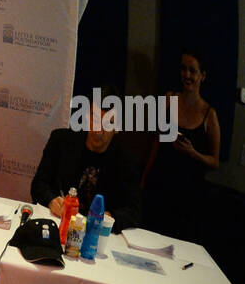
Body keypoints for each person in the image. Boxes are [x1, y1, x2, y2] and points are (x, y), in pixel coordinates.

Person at [30, 91, 142, 232]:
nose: (98, 131)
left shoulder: (127, 161)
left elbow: (133, 212)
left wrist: (108, 217)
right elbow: (38, 184)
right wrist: (51, 200)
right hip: (57, 224)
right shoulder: (61, 141)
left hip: (96, 234)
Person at [141, 50, 221, 240]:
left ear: (203, 76)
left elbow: (215, 162)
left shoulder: (209, 115)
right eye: (184, 69)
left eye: (193, 71)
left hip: (187, 194)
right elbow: (157, 141)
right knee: (146, 236)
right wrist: (144, 179)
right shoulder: (168, 99)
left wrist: (193, 153)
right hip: (159, 182)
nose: (187, 75)